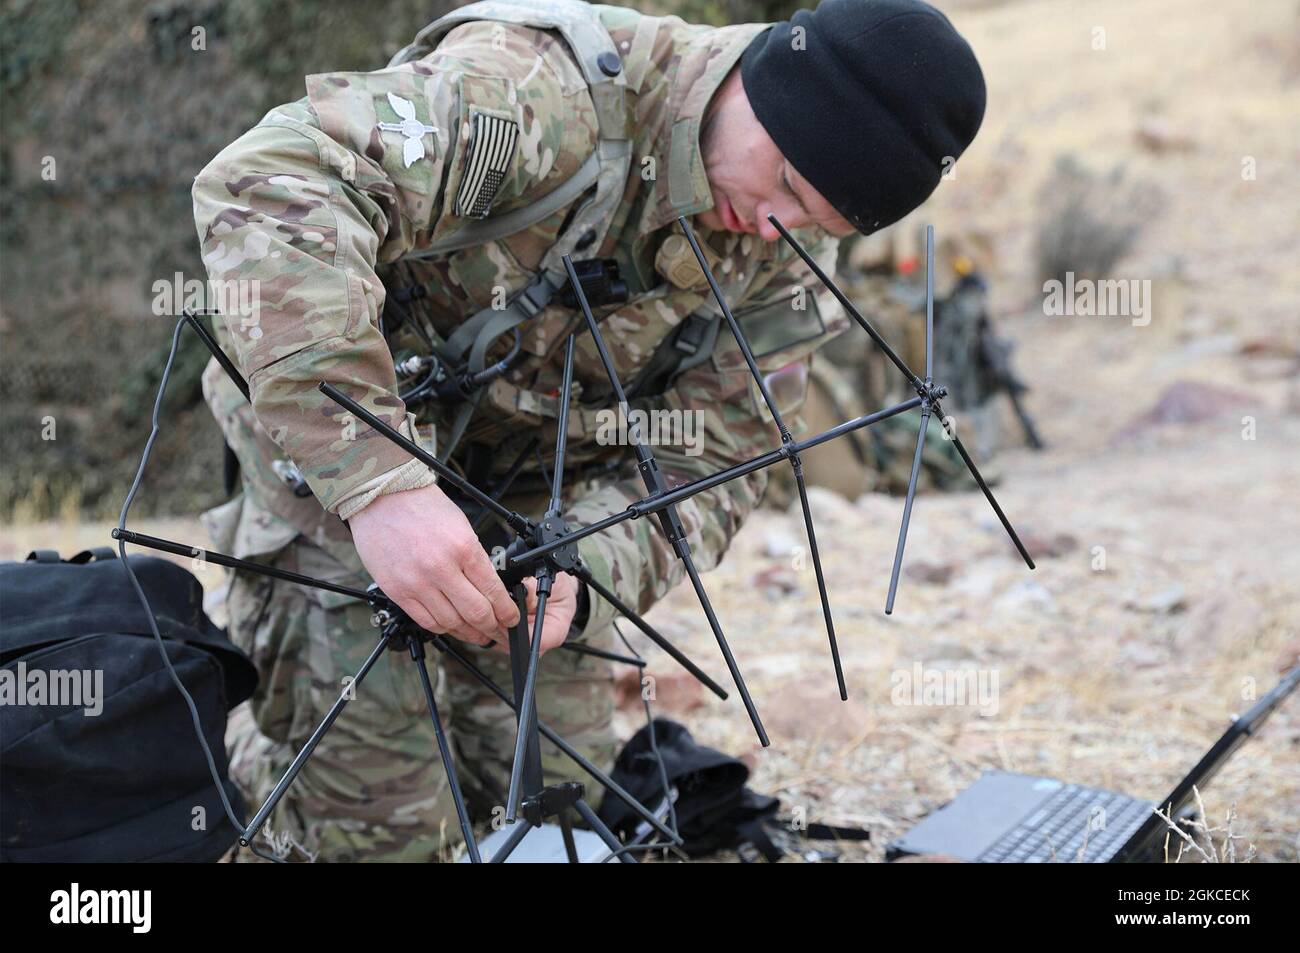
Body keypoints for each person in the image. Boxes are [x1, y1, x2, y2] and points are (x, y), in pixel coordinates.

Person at [192, 0, 986, 861]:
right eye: (788, 186)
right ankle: (247, 764)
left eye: (816, 224)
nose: (773, 231)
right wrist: (380, 484)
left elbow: (719, 456)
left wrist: (585, 567)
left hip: (537, 498)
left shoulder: (780, 248)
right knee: (384, 829)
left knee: (552, 820)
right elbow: (270, 183)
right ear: (760, 87)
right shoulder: (538, 98)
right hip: (338, 451)